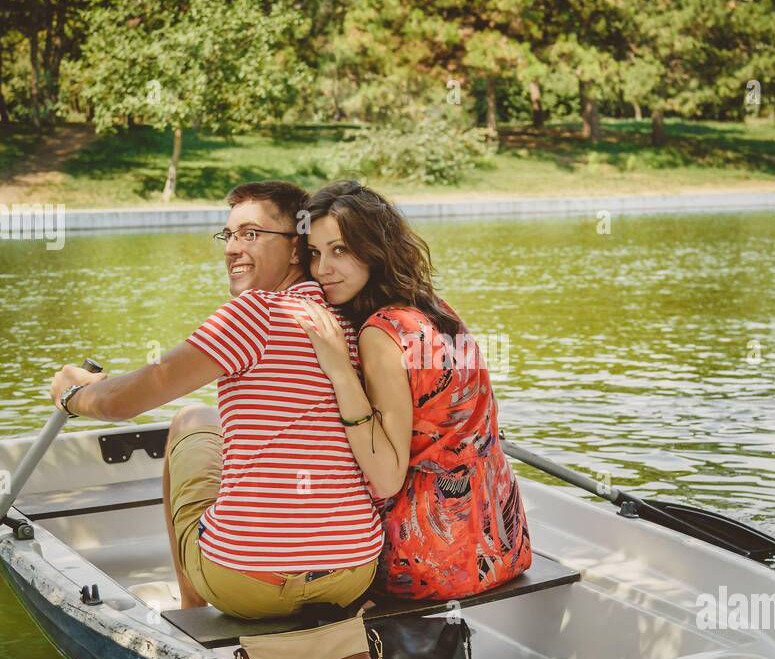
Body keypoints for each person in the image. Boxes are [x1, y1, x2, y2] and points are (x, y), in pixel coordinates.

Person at [50, 180, 384, 616]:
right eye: (229, 235)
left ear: (297, 249)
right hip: (352, 572)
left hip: (244, 583)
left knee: (189, 419)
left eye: (251, 234)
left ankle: (192, 607)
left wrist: (72, 394)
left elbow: (121, 402)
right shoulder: (358, 317)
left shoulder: (257, 312)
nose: (232, 248)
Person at [295, 180, 532, 602]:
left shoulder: (379, 334)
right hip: (500, 544)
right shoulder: (435, 309)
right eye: (314, 253)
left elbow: (386, 478)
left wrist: (338, 370)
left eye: (340, 250)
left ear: (375, 249)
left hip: (426, 563)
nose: (321, 270)